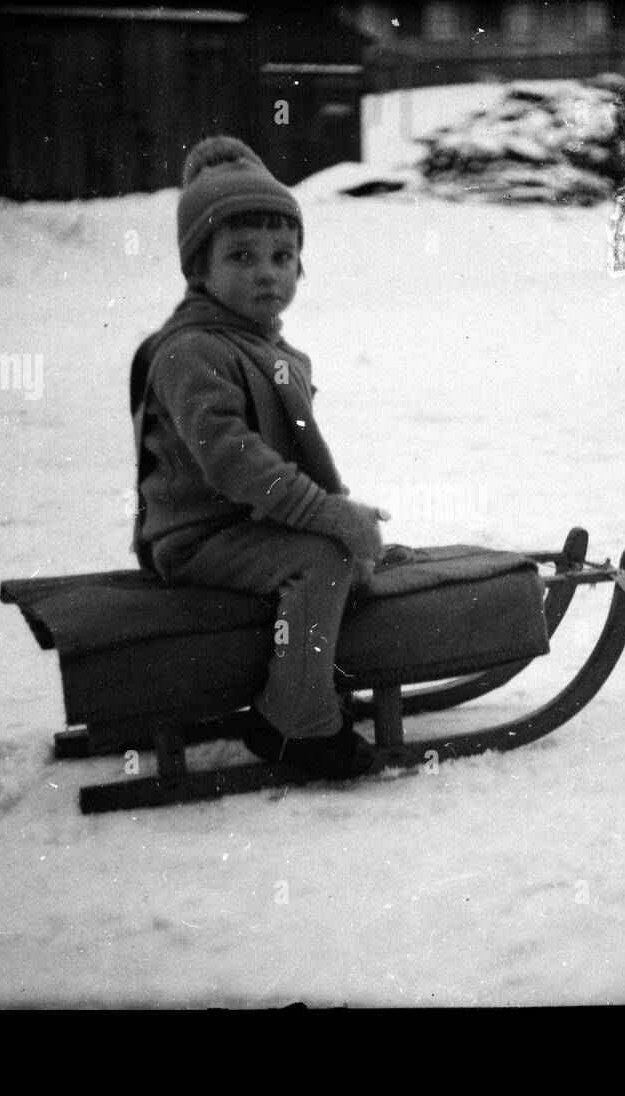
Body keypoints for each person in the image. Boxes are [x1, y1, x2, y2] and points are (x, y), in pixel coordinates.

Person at [129, 135, 385, 779]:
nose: (267, 271)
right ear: (199, 270)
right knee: (323, 559)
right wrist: (328, 517)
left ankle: (310, 671)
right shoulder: (192, 351)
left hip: (246, 525)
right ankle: (293, 722)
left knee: (343, 551)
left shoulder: (266, 349)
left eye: (282, 255)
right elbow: (234, 461)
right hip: (196, 536)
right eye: (241, 257)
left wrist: (339, 512)